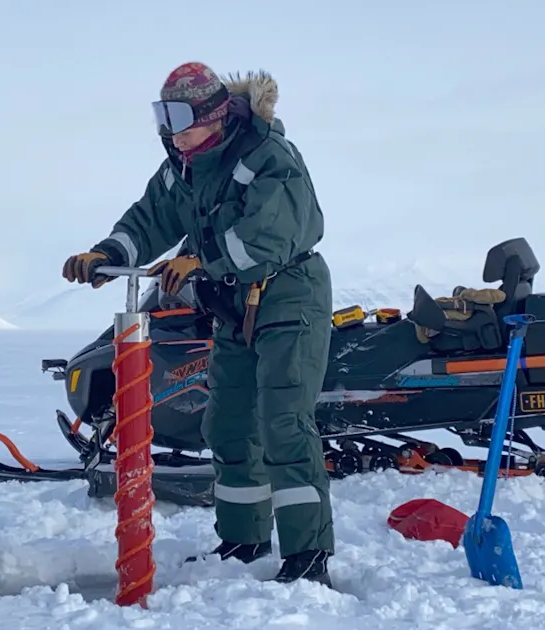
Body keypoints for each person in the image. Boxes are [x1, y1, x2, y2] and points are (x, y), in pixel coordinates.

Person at [61, 62, 335, 586]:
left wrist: (204, 261)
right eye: (163, 118)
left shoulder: (266, 155)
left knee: (283, 422)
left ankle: (308, 553)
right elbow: (150, 219)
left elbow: (273, 233)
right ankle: (244, 539)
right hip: (232, 305)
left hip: (288, 295)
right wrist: (107, 254)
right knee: (228, 424)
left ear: (214, 114)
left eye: (181, 118)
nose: (172, 131)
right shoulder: (182, 167)